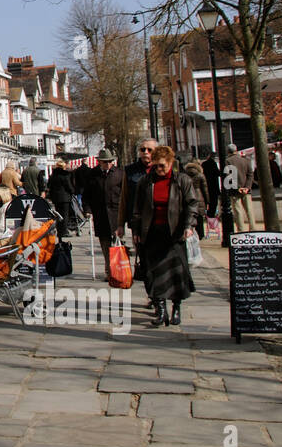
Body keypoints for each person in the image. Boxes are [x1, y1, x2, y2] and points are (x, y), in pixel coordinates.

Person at [130, 145, 200, 327]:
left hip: (174, 233)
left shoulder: (181, 180)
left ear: (171, 163)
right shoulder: (145, 182)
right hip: (152, 232)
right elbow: (137, 209)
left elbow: (192, 204)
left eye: (162, 166)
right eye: (156, 166)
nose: (159, 169)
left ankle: (176, 308)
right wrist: (136, 231)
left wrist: (189, 225)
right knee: (153, 273)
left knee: (176, 273)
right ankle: (160, 310)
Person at [116, 138, 158, 267]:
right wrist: (120, 224)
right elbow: (124, 198)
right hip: (137, 220)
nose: (145, 152)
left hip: (158, 218)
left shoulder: (161, 168)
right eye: (142, 149)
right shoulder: (130, 170)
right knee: (143, 254)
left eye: (149, 149)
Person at [82, 149, 125, 265]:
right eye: (105, 162)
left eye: (110, 161)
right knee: (105, 242)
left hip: (115, 212)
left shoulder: (119, 173)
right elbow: (86, 195)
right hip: (100, 212)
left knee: (117, 241)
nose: (108, 164)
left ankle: (118, 268)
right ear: (99, 162)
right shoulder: (92, 174)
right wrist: (87, 210)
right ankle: (109, 268)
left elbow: (125, 194)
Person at [227, 144, 256, 232]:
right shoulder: (245, 161)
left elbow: (229, 177)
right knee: (249, 211)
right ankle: (253, 229)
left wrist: (237, 188)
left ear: (228, 152)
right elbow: (250, 174)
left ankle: (241, 230)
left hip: (234, 190)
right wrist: (247, 187)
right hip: (246, 190)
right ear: (236, 150)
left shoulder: (228, 161)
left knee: (238, 211)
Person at [181, 153, 209, 239]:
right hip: (198, 195)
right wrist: (207, 201)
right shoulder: (200, 175)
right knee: (200, 217)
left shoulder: (184, 175)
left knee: (190, 215)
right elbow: (205, 189)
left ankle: (191, 232)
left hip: (188, 195)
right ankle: (201, 234)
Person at [46, 160, 75, 236]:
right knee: (65, 215)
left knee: (58, 214)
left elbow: (49, 186)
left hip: (56, 198)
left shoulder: (53, 175)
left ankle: (59, 230)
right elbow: (68, 186)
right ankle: (64, 231)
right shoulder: (65, 175)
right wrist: (73, 191)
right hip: (65, 197)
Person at [200, 148, 221, 219]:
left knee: (207, 202)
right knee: (213, 203)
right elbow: (218, 173)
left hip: (206, 186)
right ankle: (211, 216)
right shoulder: (213, 163)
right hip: (213, 186)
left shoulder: (203, 164)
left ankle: (207, 214)